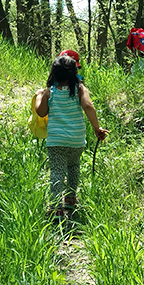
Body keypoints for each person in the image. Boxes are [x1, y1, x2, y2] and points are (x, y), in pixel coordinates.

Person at [34, 53, 108, 219]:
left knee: (57, 172)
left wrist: (39, 95)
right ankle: (70, 199)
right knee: (74, 166)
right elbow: (88, 106)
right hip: (76, 139)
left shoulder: (50, 92)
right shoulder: (80, 89)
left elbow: (41, 112)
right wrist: (97, 128)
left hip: (56, 140)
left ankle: (55, 208)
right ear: (74, 72)